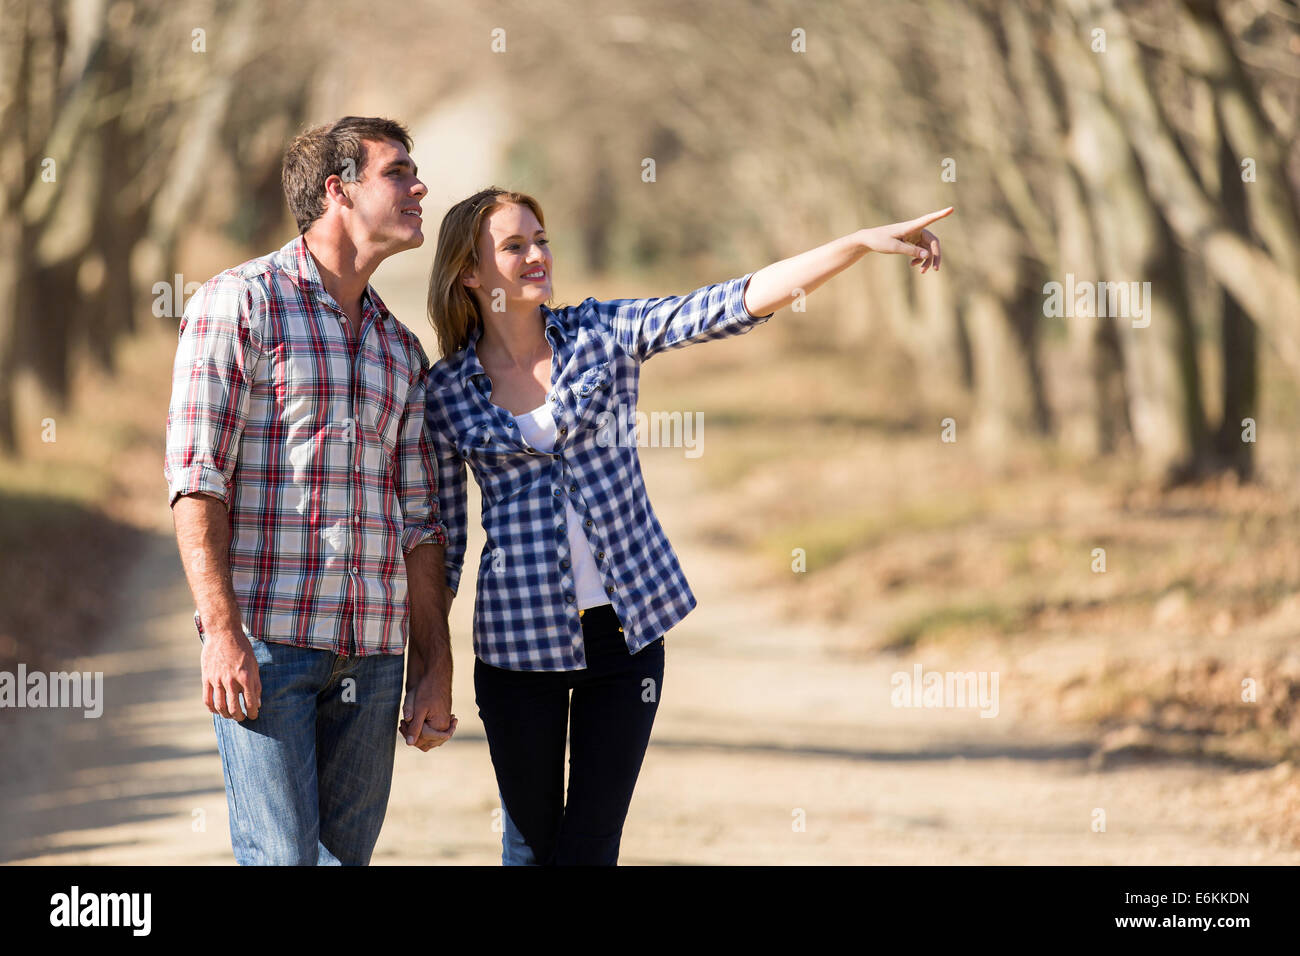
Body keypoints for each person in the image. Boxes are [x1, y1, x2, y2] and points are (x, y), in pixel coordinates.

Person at [424, 186, 950, 865]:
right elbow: (442, 544)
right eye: (514, 245)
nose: (537, 257)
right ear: (470, 272)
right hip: (517, 650)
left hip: (624, 641)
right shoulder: (443, 393)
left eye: (542, 240)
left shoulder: (603, 334)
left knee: (588, 848)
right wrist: (429, 672)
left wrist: (853, 244)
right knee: (529, 849)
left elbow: (730, 303)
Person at [164, 116, 457, 866]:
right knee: (282, 859)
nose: (419, 187)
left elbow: (421, 520)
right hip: (269, 649)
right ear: (339, 189)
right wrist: (220, 631)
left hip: (373, 656)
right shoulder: (241, 303)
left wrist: (433, 661)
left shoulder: (401, 347)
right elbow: (198, 481)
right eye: (398, 173)